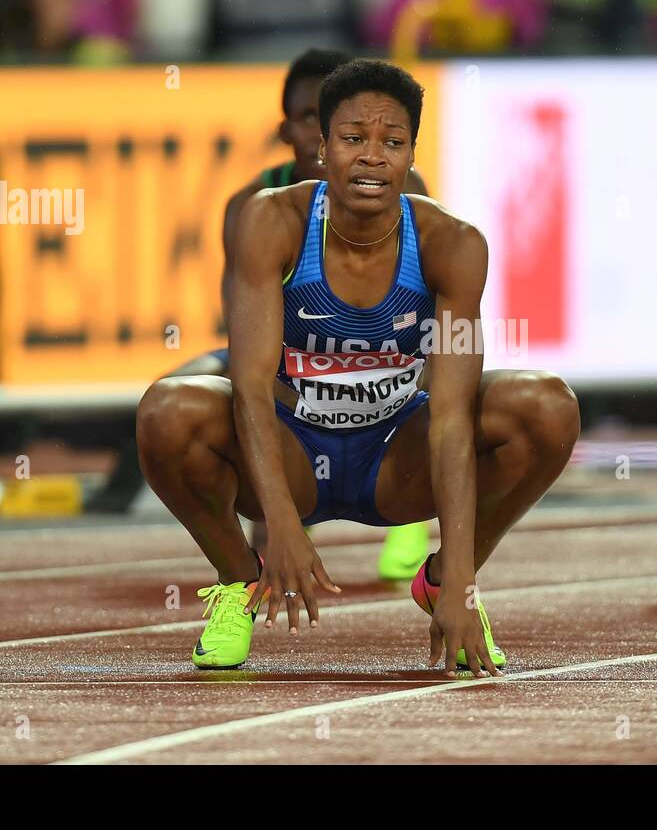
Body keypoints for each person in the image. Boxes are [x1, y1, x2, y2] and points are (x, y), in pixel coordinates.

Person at [136, 59, 580, 675]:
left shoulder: (455, 245)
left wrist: (461, 577)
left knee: (546, 404)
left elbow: (451, 417)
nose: (372, 157)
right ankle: (237, 579)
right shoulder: (270, 220)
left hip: (397, 456)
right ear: (321, 147)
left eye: (392, 143)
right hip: (294, 455)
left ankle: (439, 579)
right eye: (353, 139)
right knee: (167, 409)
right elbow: (252, 390)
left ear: (411, 154)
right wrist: (283, 528)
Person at [91, 48, 433, 583]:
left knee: (440, 370)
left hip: (380, 367)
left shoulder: (406, 192)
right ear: (298, 132)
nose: (362, 150)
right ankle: (241, 565)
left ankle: (407, 515)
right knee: (170, 399)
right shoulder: (253, 206)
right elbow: (245, 334)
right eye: (307, 120)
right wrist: (277, 500)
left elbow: (425, 324)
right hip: (282, 355)